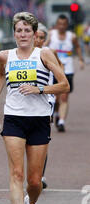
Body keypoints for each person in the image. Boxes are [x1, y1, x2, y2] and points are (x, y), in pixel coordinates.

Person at [0, 12, 69, 204]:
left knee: (34, 181)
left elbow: (64, 85)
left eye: (27, 31)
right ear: (13, 33)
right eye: (19, 30)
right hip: (14, 118)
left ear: (35, 34)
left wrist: (40, 89)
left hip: (39, 119)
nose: (22, 35)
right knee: (16, 173)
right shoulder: (5, 55)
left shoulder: (43, 54)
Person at [34, 23, 63, 190]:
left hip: (46, 101)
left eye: (41, 38)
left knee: (41, 140)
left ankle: (40, 175)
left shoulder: (49, 53)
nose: (38, 40)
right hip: (22, 104)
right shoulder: (22, 54)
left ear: (45, 39)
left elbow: (61, 73)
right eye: (36, 37)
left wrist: (54, 90)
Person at [45, 14, 84, 132]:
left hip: (67, 69)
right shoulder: (52, 35)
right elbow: (44, 46)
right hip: (53, 71)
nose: (61, 26)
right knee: (55, 98)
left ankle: (61, 121)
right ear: (57, 24)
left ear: (67, 25)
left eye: (64, 24)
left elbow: (77, 47)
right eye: (59, 24)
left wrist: (81, 60)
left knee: (64, 96)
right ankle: (56, 114)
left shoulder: (72, 36)